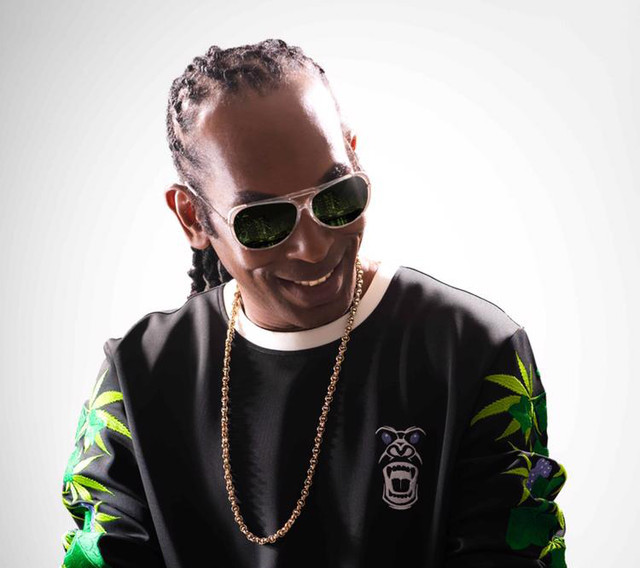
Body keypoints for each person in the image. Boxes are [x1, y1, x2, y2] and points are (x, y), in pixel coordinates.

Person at [60, 39, 568, 567]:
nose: (314, 246)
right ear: (192, 216)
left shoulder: (475, 352)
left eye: (335, 196)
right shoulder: (137, 376)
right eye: (264, 220)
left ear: (353, 154)